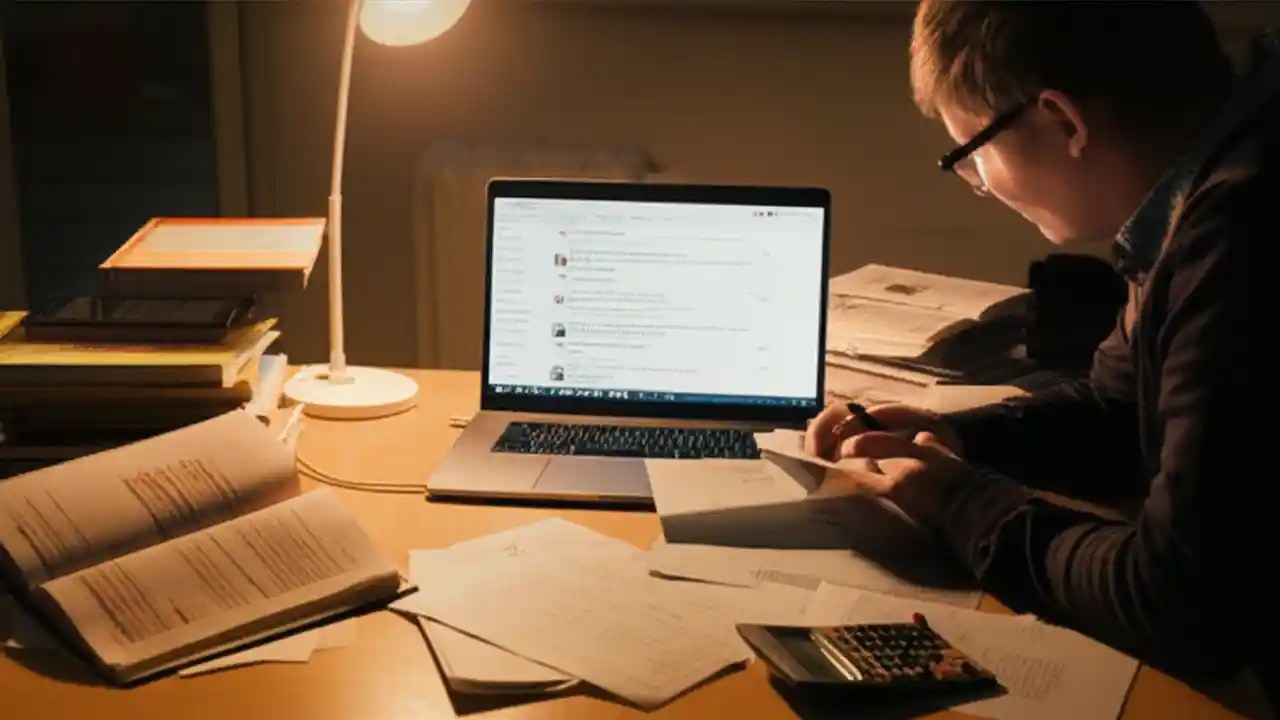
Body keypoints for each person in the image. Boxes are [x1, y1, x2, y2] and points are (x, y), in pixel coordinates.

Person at [804, 1, 1273, 697]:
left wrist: (959, 503)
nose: (982, 187)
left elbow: (1179, 603)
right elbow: (1121, 405)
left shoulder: (1240, 234)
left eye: (972, 156)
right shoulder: (1198, 191)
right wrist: (958, 439)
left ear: (1063, 120)